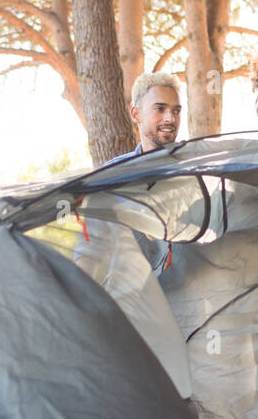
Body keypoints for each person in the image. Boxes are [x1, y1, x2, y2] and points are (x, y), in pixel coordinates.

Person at [73, 70, 185, 277]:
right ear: (136, 114)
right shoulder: (113, 177)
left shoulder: (195, 169)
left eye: (176, 111)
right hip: (136, 299)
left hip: (191, 298)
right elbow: (89, 250)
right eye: (160, 109)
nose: (170, 118)